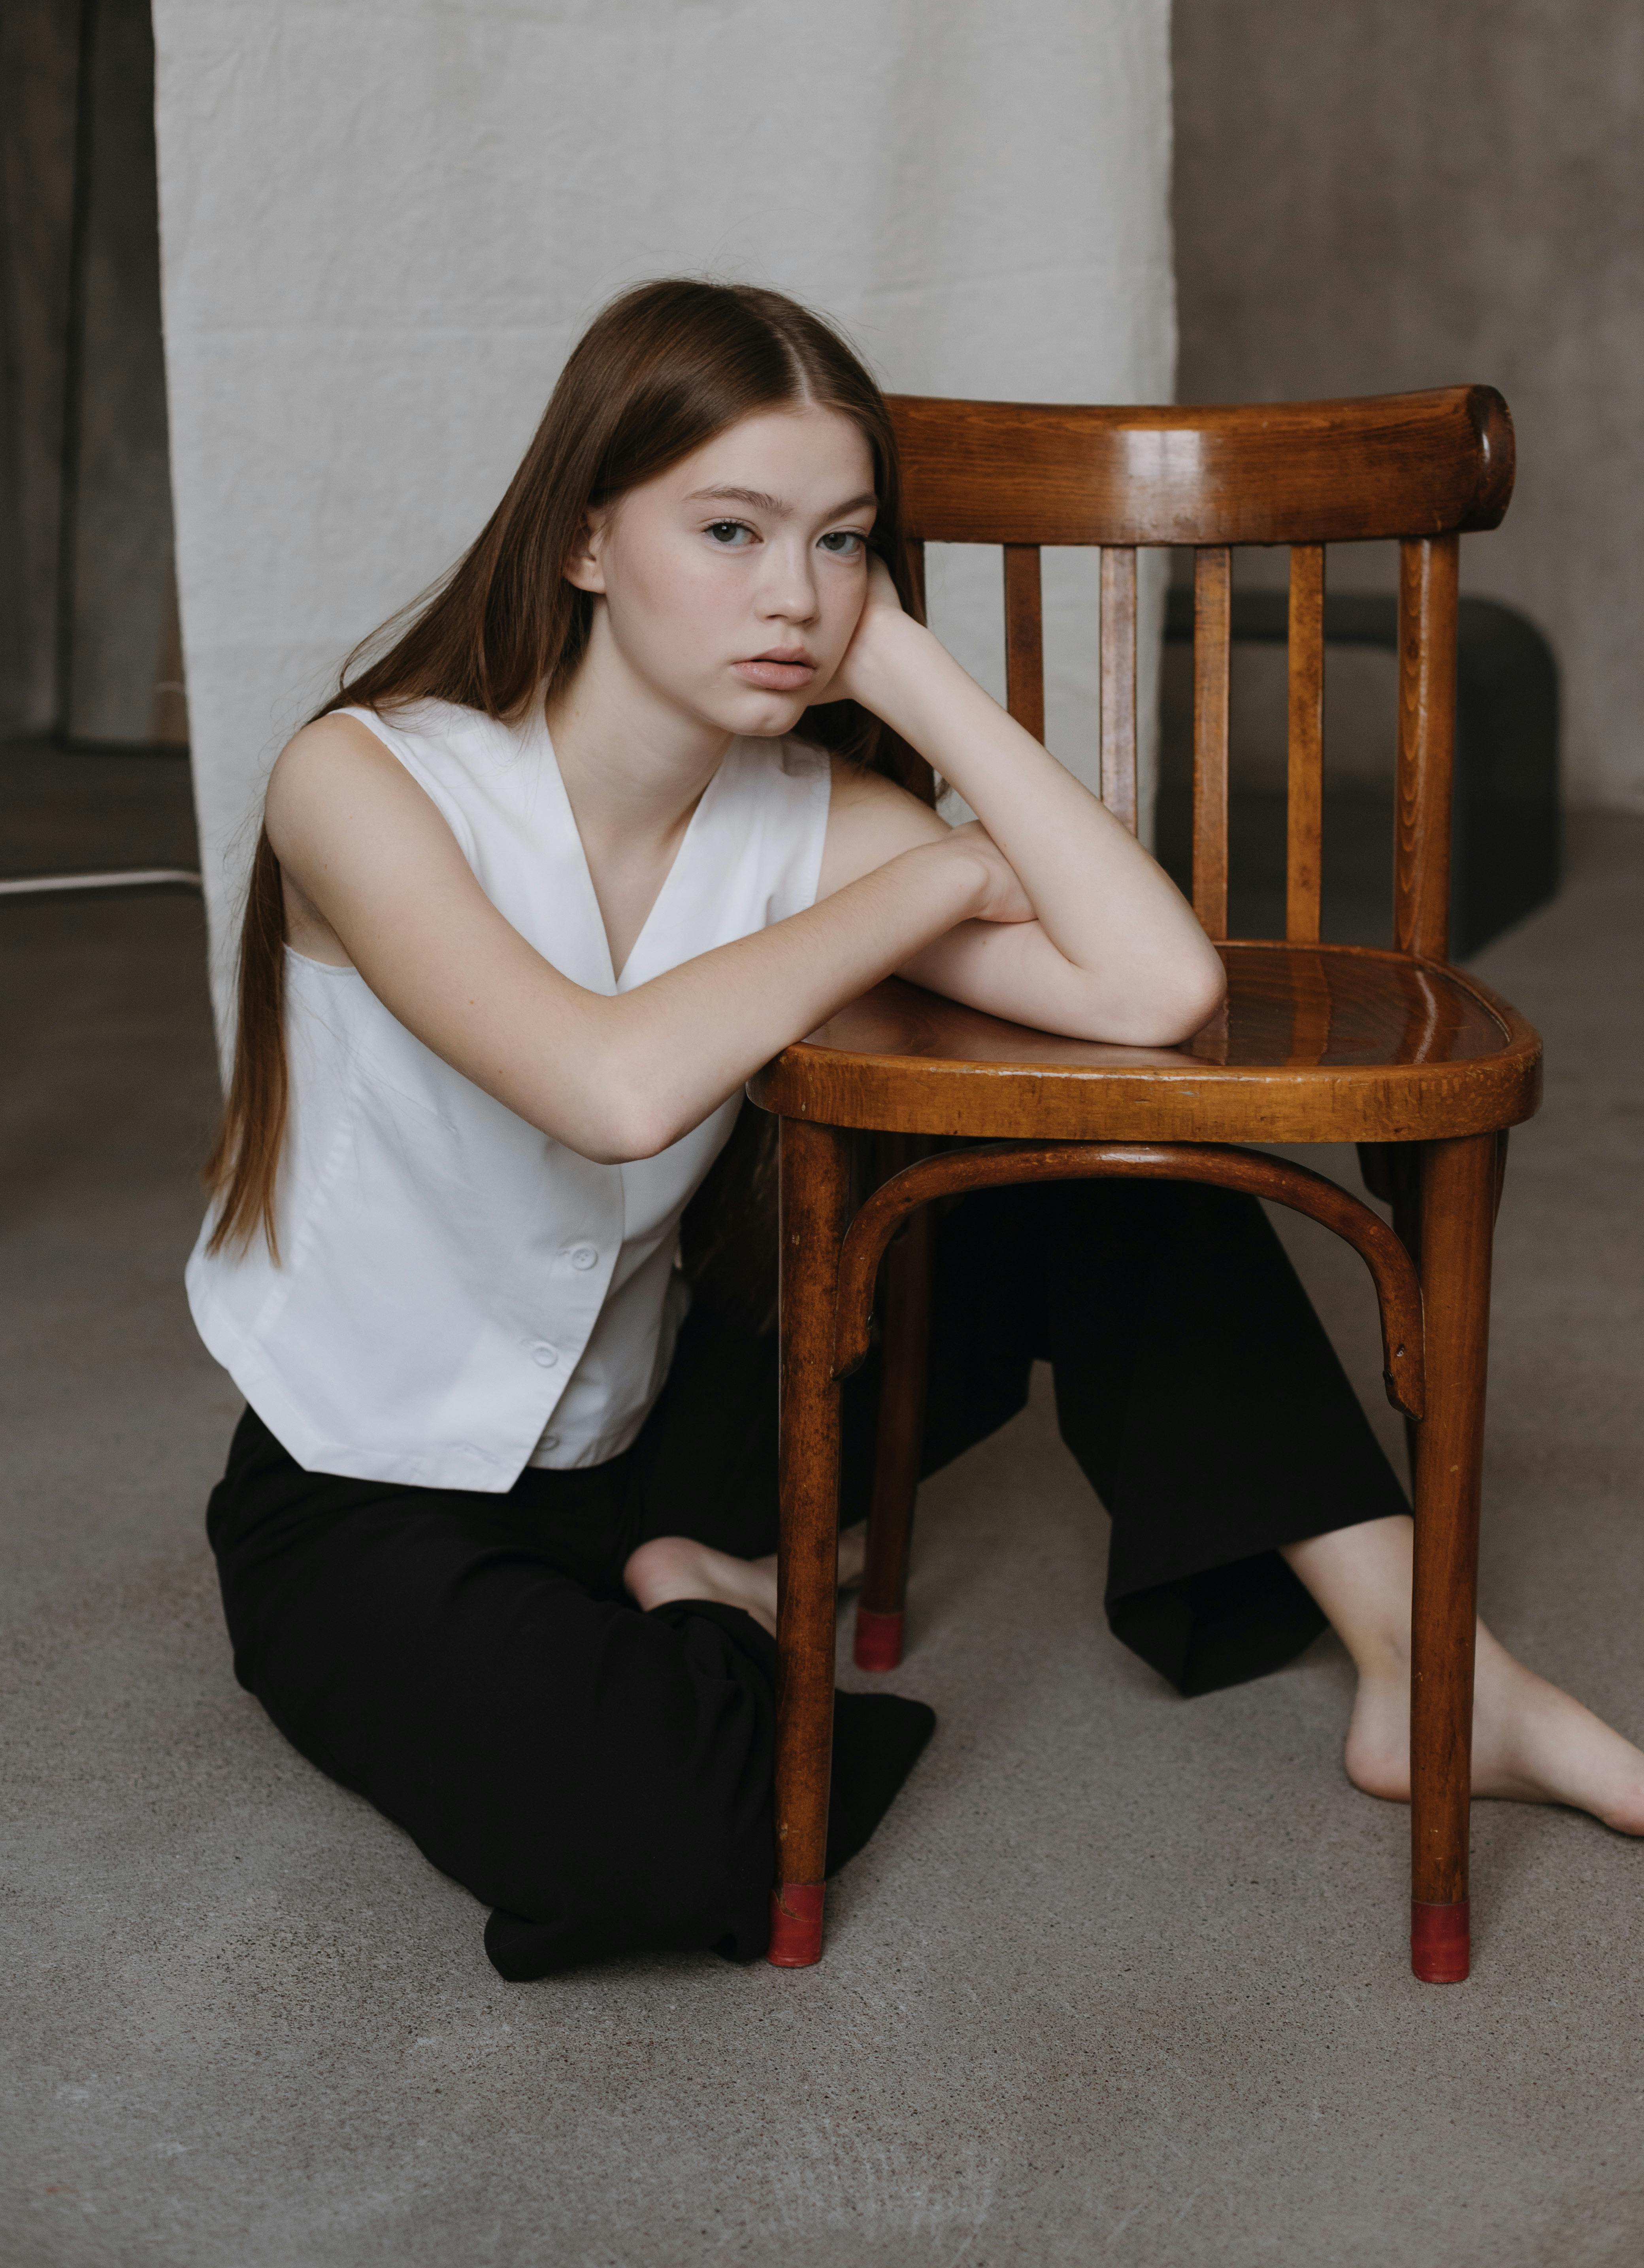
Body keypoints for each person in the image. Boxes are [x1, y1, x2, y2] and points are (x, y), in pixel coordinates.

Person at [191, 279, 1644, 1981]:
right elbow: (610, 1088)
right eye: (728, 531)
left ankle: (1432, 1676)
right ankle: (703, 1600)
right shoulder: (366, 781)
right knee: (657, 1848)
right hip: (374, 1491)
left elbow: (1156, 988)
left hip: (652, 1420)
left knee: (1114, 1159)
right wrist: (937, 875)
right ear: (584, 538)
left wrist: (905, 666)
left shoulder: (801, 810)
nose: (790, 597)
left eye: (840, 544)